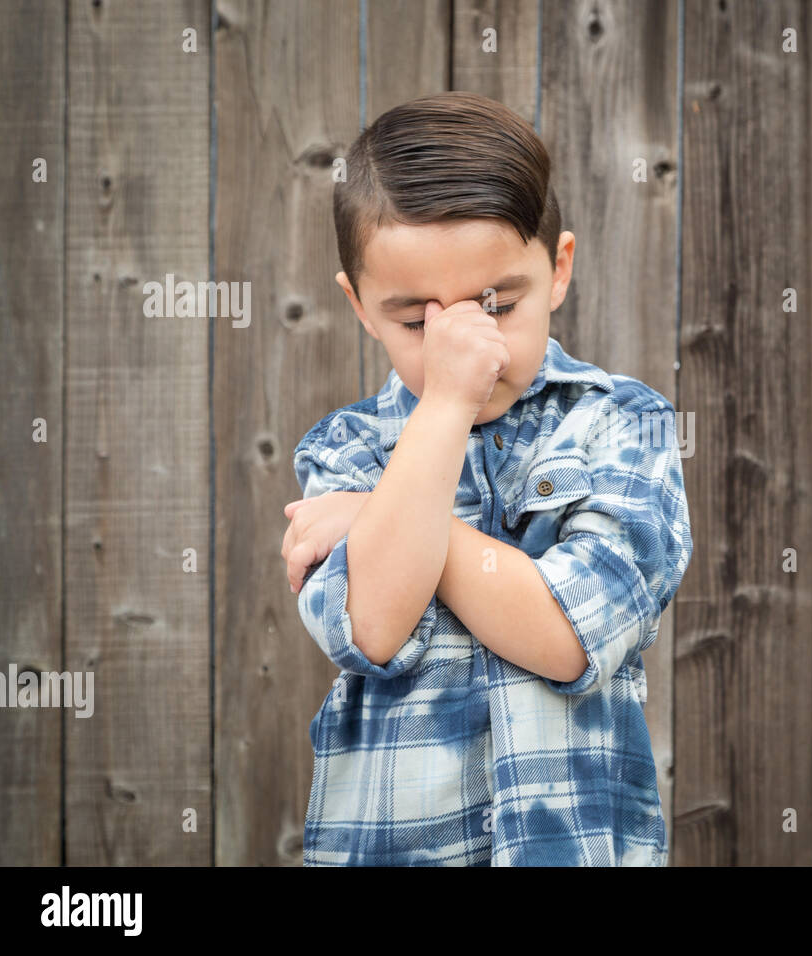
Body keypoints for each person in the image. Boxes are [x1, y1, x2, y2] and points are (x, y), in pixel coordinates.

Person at [279, 91, 692, 866]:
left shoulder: (622, 424)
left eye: (495, 304)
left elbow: (568, 635)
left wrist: (376, 518)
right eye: (416, 323)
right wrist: (444, 406)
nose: (463, 344)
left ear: (559, 269)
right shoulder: (346, 451)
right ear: (360, 308)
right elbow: (372, 627)